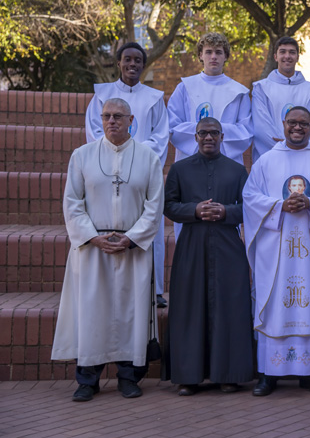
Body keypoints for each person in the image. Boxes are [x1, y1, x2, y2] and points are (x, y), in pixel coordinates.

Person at [52, 98, 164, 401]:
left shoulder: (148, 158)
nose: (111, 121)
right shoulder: (82, 155)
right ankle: (87, 379)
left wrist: (132, 238)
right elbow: (72, 202)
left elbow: (154, 207)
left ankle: (129, 376)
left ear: (131, 120)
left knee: (132, 312)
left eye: (118, 116)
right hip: (93, 249)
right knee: (92, 311)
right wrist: (92, 237)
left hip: (133, 248)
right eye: (106, 116)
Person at [243, 106, 310, 396]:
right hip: (275, 252)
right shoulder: (266, 162)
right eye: (293, 122)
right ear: (284, 124)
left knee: (309, 301)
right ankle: (268, 374)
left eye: (304, 123)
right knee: (275, 301)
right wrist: (280, 206)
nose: (298, 128)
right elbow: (250, 199)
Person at [162, 117, 254, 396]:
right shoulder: (179, 169)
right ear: (196, 137)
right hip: (192, 245)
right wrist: (195, 210)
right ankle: (189, 376)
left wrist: (227, 212)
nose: (209, 138)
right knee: (191, 307)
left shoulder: (238, 170)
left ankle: (229, 375)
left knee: (230, 307)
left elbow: (250, 207)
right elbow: (168, 206)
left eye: (214, 133)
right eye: (203, 133)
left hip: (228, 246)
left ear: (222, 136)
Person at [84, 42, 169, 308]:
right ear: (118, 63)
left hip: (143, 170)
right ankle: (107, 282)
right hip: (108, 169)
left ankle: (154, 288)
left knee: (149, 224)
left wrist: (136, 155)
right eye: (127, 60)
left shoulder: (154, 98)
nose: (132, 65)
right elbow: (95, 133)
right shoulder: (102, 95)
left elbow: (161, 136)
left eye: (138, 61)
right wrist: (117, 154)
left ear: (144, 65)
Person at [167, 32, 253, 165]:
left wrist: (205, 133)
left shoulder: (239, 92)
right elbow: (173, 126)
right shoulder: (184, 87)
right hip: (191, 162)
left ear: (226, 56)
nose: (213, 57)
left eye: (218, 52)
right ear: (200, 55)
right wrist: (213, 133)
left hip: (227, 163)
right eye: (208, 52)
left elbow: (246, 132)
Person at [251, 36, 310, 162]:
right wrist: (284, 147)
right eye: (283, 52)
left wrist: (297, 145)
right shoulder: (261, 88)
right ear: (275, 57)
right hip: (271, 155)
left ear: (297, 57)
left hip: (303, 155)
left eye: (292, 52)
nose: (287, 56)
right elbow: (261, 126)